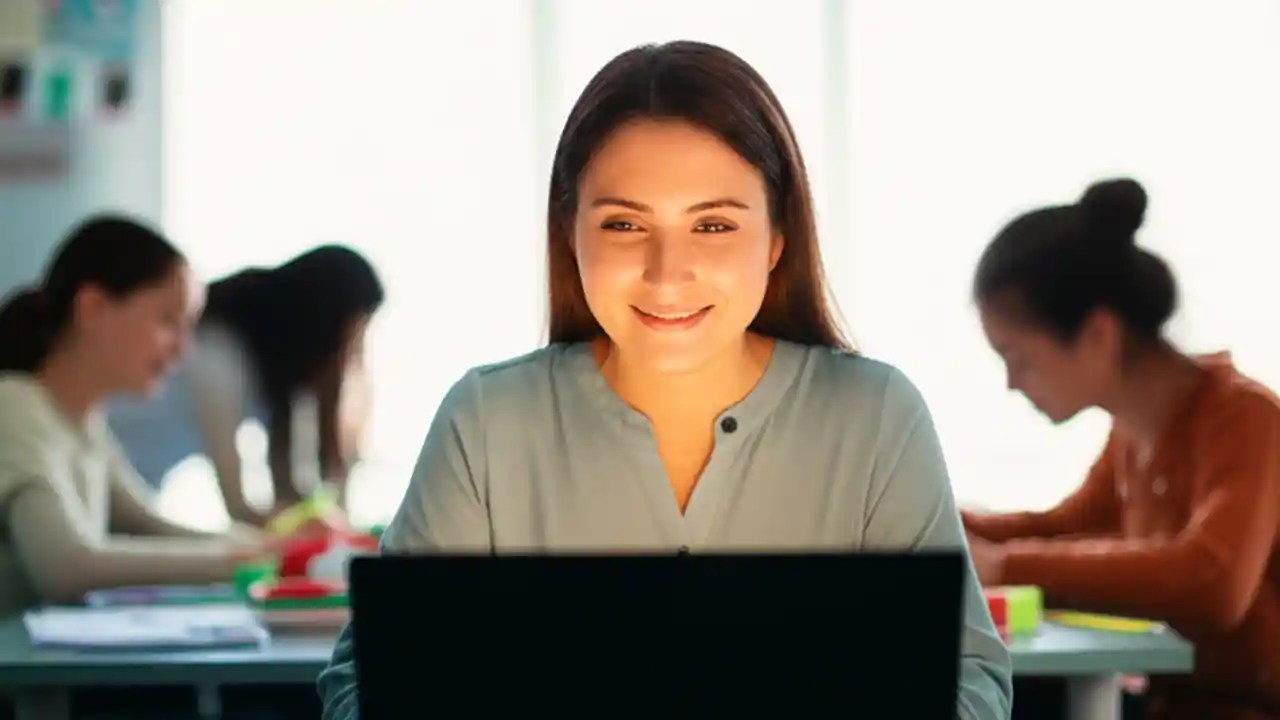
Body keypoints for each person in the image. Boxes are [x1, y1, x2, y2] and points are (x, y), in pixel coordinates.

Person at [318, 40, 1012, 719]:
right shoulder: (486, 421)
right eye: (624, 224)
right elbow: (366, 686)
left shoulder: (874, 417)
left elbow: (970, 683)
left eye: (713, 225)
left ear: (777, 238)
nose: (666, 271)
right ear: (570, 234)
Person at [963, 178, 1280, 719]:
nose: (1013, 383)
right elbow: (1070, 528)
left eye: (1019, 358)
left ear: (1098, 335)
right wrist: (942, 522)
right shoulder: (1134, 433)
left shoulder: (1245, 418)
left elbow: (1214, 581)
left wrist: (1003, 565)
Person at [0, 215, 274, 618]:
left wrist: (262, 546)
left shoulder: (84, 421)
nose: (183, 351)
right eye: (168, 321)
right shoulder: (15, 406)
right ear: (93, 307)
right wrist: (240, 560)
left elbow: (146, 523)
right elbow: (66, 567)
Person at [107, 245, 384, 527]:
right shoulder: (217, 359)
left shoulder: (280, 380)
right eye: (350, 340)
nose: (352, 356)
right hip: (102, 495)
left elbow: (297, 492)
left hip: (131, 497)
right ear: (320, 324)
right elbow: (239, 509)